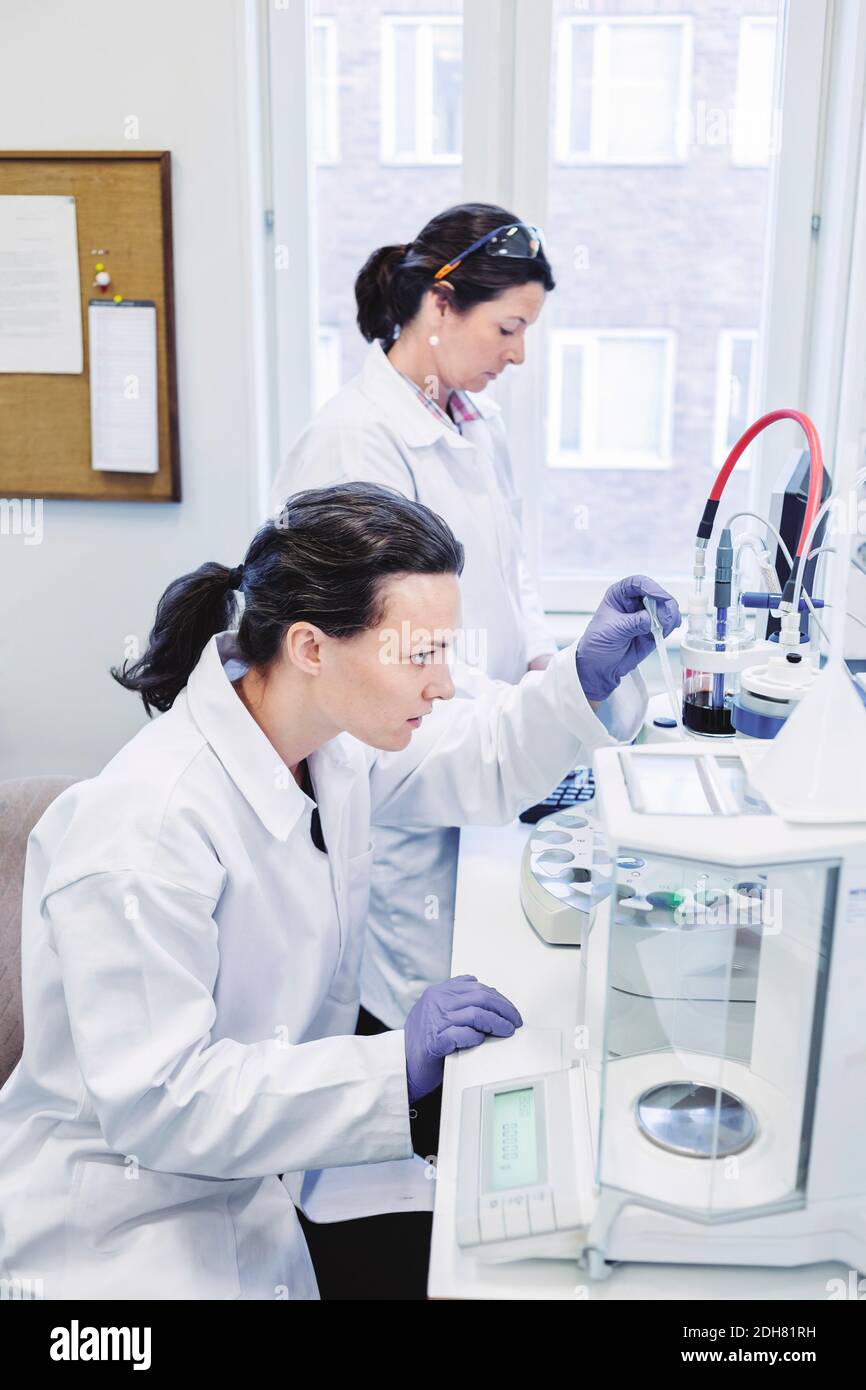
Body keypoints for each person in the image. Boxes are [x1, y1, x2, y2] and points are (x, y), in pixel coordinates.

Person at [0, 483, 677, 1300]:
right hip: (118, 1233)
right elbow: (164, 1106)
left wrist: (583, 680)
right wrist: (393, 1066)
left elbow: (481, 757)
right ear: (312, 647)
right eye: (420, 655)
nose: (442, 684)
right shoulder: (148, 827)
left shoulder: (328, 743)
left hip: (246, 1190)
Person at [270, 204, 563, 1033]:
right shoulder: (355, 440)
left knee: (480, 986)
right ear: (440, 306)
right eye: (507, 328)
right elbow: (381, 639)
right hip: (405, 763)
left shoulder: (476, 423)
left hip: (485, 746)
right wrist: (527, 720)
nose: (519, 353)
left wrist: (542, 663)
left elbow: (512, 576)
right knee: (411, 1018)